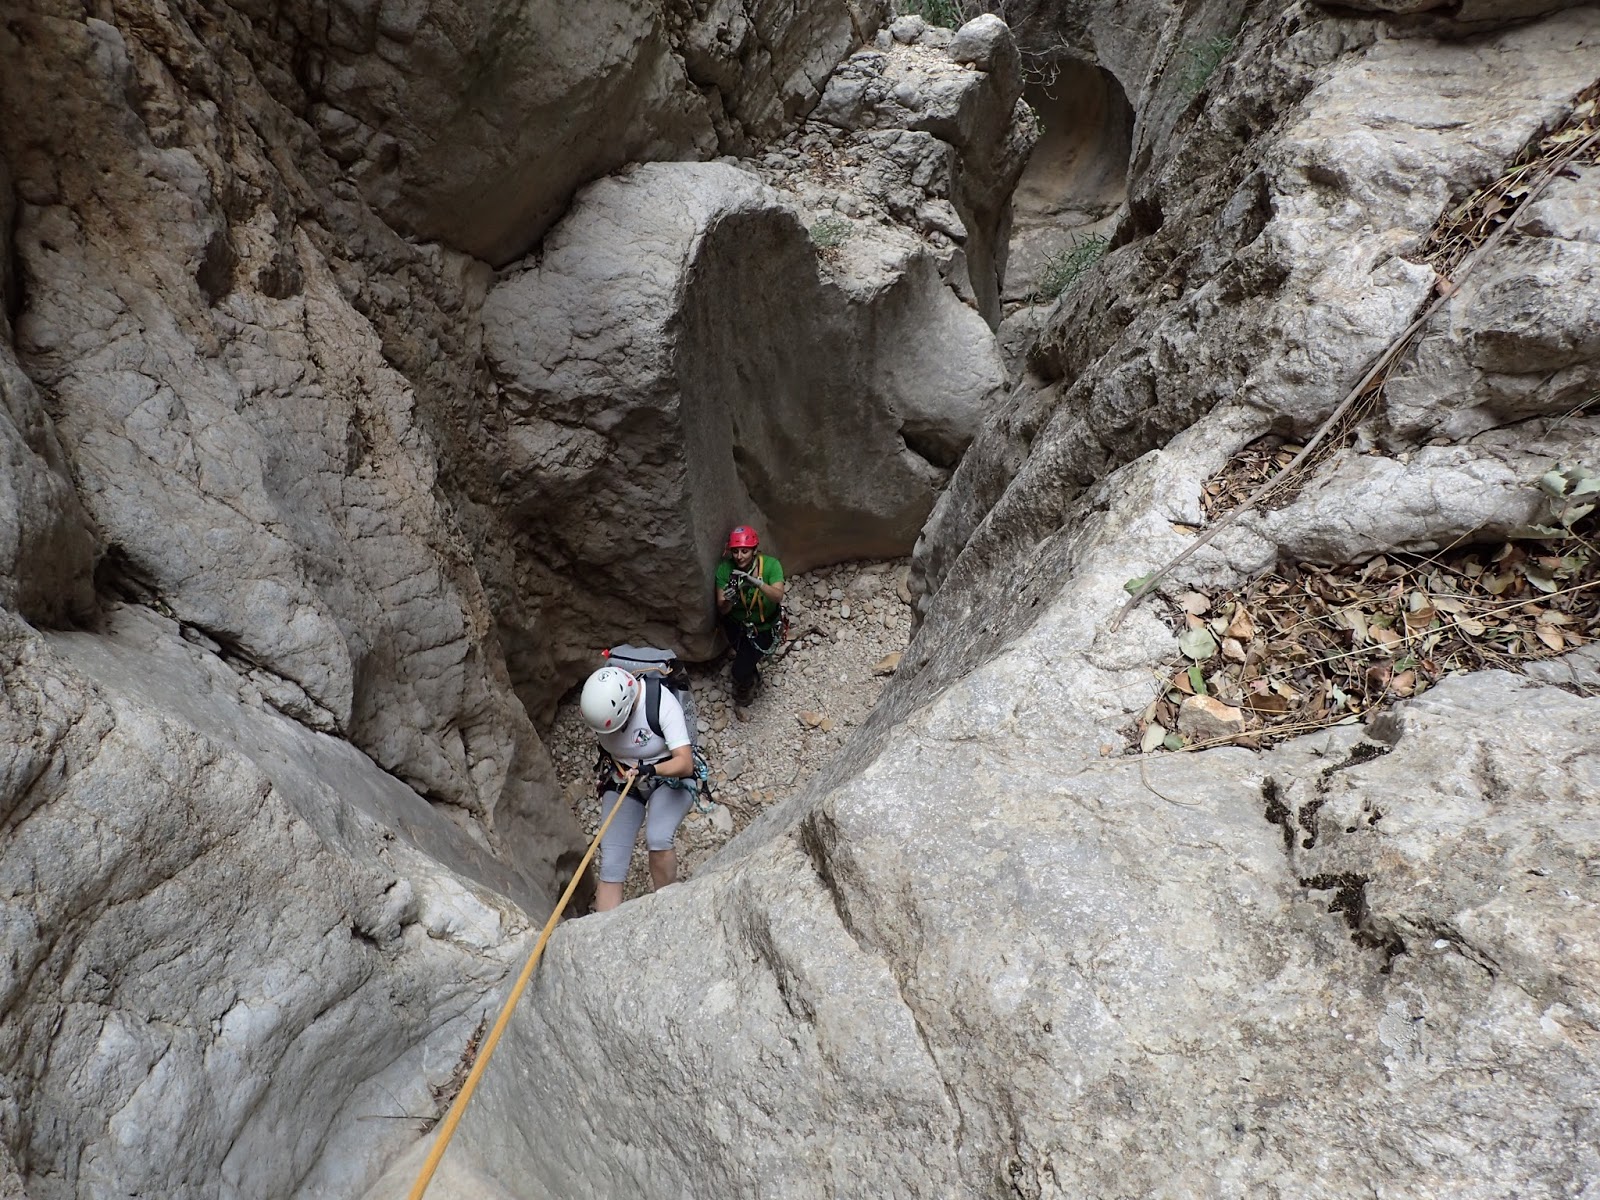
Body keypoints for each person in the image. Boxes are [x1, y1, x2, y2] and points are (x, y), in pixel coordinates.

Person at [580, 665, 697, 912]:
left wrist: (652, 770)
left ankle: (667, 907)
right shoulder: (601, 712)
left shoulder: (660, 703)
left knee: (658, 838)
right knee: (611, 862)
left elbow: (686, 763)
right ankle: (603, 936)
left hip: (669, 776)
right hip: (625, 777)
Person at [714, 525, 785, 706]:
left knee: (739, 670)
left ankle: (748, 681)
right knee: (743, 654)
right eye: (735, 552)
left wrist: (757, 583)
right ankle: (751, 672)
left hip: (764, 627)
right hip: (736, 625)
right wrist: (731, 599)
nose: (739, 557)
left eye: (744, 551)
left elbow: (777, 596)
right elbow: (722, 609)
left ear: (754, 550)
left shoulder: (770, 566)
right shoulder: (725, 570)